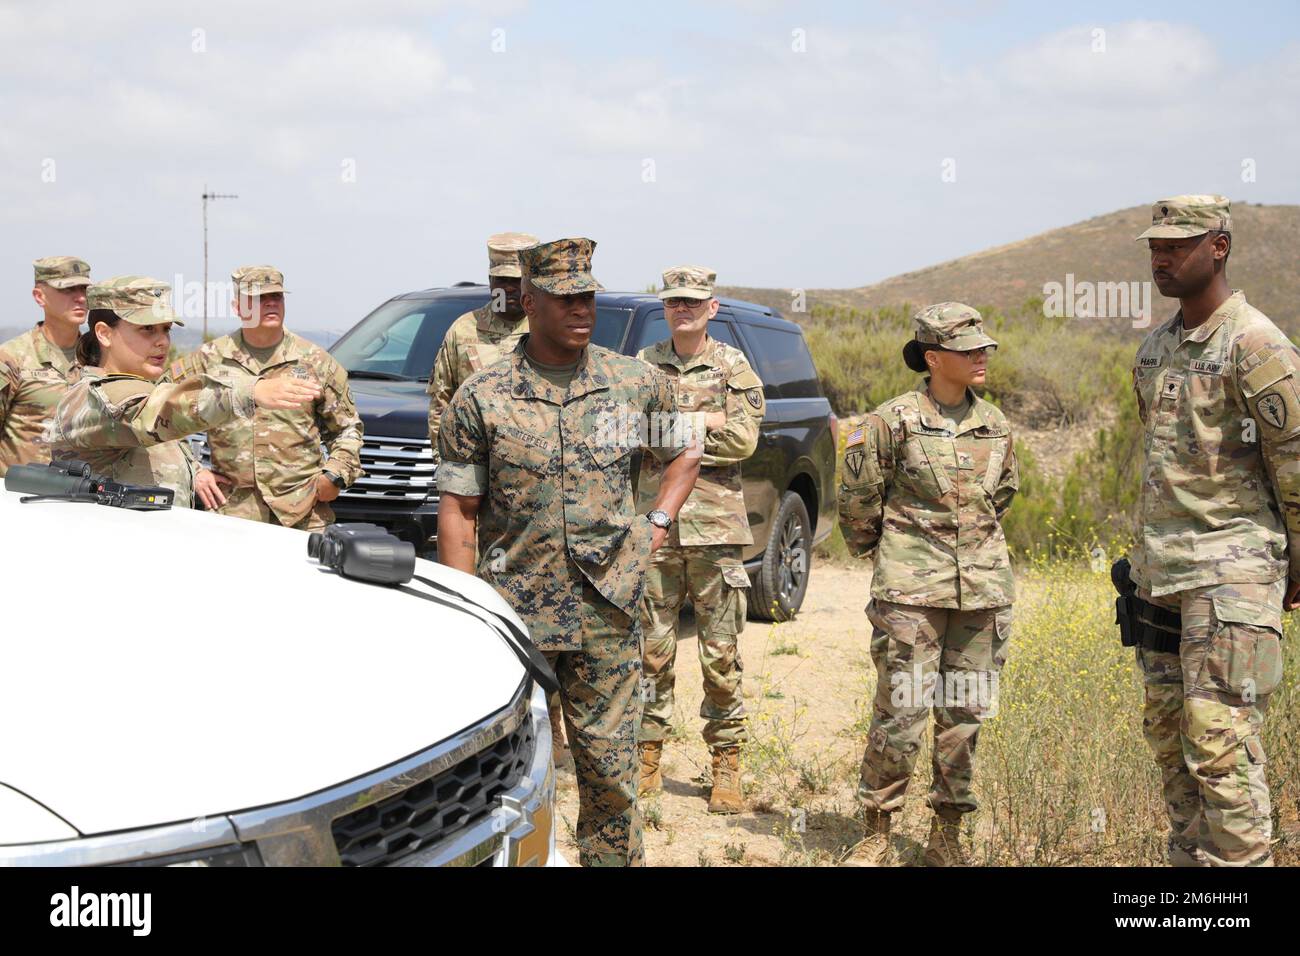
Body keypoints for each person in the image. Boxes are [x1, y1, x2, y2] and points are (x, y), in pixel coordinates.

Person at [436, 238, 701, 866]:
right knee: (511, 778)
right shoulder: (482, 396)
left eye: (588, 296)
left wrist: (655, 524)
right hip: (515, 616)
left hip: (606, 613)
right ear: (528, 301)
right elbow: (459, 512)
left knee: (610, 776)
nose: (582, 308)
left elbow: (683, 452)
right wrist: (463, 613)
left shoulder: (633, 385)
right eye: (565, 298)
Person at [1128, 195, 1298, 867]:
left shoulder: (1258, 345)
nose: (1160, 257)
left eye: (1176, 245)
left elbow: (1294, 463)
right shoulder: (1154, 350)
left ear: (1218, 247)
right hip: (1160, 577)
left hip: (1232, 577)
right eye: (1154, 247)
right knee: (1172, 745)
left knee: (1220, 745)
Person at [837, 302, 1019, 866]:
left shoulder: (997, 424)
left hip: (982, 592)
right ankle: (878, 828)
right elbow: (858, 499)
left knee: (964, 714)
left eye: (983, 347)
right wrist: (891, 554)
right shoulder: (892, 420)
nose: (982, 356)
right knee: (902, 711)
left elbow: (1003, 496)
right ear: (934, 357)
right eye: (968, 350)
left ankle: (948, 835)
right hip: (911, 592)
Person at [635, 265, 764, 813]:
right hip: (656, 527)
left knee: (720, 652)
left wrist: (674, 438)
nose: (681, 308)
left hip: (715, 529)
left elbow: (743, 440)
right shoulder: (643, 365)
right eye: (672, 302)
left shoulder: (734, 365)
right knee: (651, 652)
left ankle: (726, 766)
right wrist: (702, 422)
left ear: (712, 307)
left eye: (692, 301)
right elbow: (625, 431)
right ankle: (645, 758)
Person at [46, 276, 319, 505]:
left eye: (165, 330)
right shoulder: (95, 397)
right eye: (147, 330)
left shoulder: (144, 389)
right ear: (104, 333)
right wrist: (249, 391)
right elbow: (159, 413)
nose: (162, 341)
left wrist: (195, 471)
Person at [169, 265, 363, 529]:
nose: (271, 303)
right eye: (259, 298)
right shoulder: (209, 360)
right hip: (232, 512)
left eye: (277, 296)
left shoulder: (316, 362)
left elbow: (347, 429)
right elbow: (159, 410)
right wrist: (195, 470)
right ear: (237, 307)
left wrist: (334, 476)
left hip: (303, 513)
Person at [427, 231, 538, 457]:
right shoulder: (464, 329)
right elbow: (441, 403)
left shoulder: (547, 329)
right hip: (472, 466)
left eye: (517, 280)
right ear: (490, 281)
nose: (509, 288)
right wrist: (446, 464)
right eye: (502, 280)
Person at [0, 256, 92, 475]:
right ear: (39, 296)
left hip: (81, 496)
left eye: (84, 289)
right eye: (67, 290)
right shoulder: (12, 358)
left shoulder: (98, 357)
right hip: (19, 498)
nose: (80, 298)